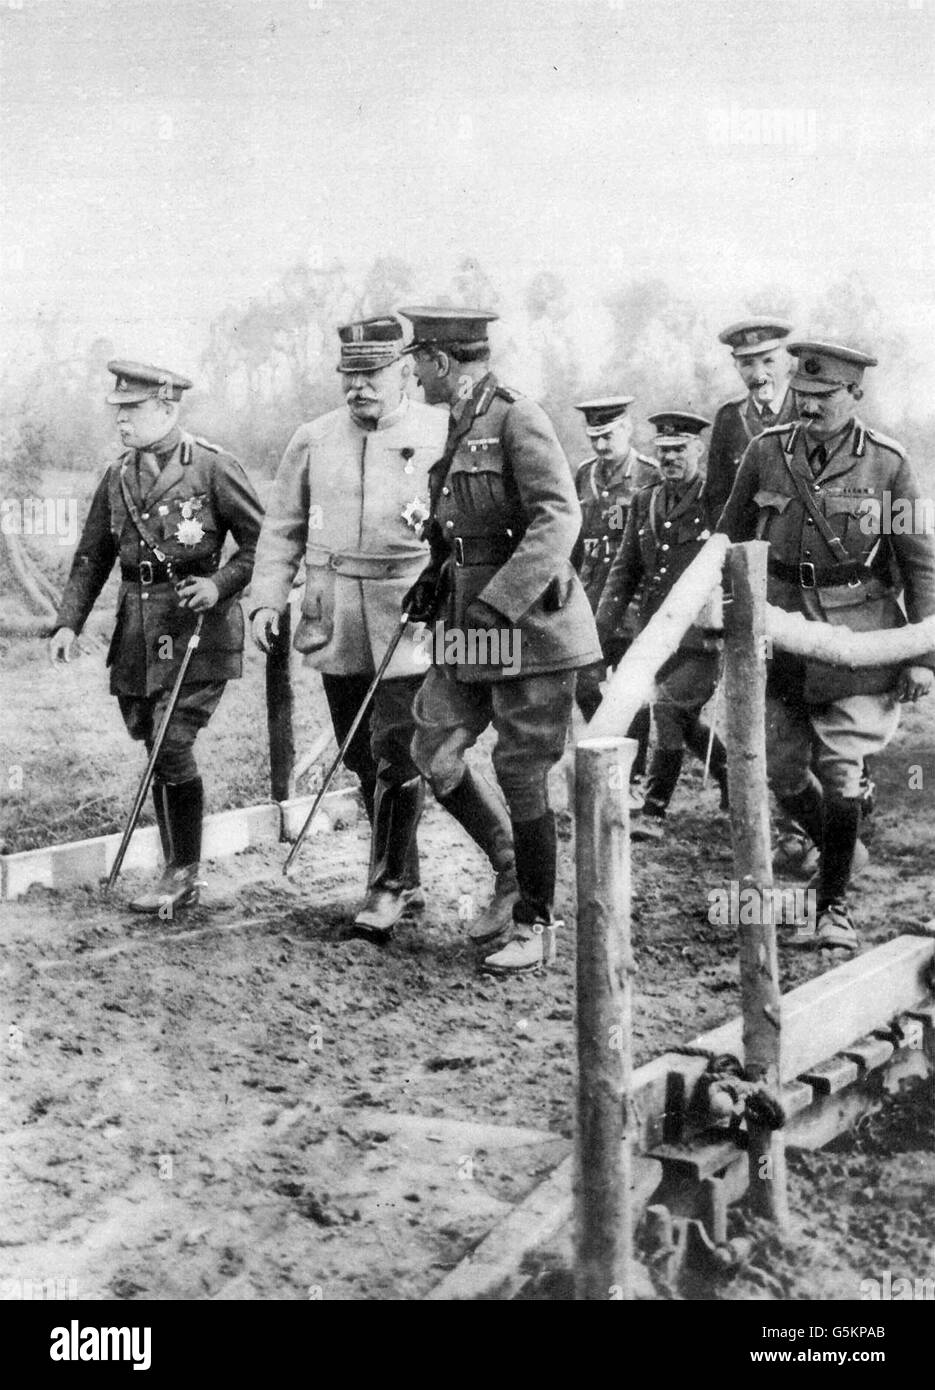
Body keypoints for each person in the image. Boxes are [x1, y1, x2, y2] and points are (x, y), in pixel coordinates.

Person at [397, 305, 602, 975]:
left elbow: (557, 518)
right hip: (472, 623)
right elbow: (463, 526)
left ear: (440, 361)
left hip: (529, 628)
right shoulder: (462, 419)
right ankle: (507, 863)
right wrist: (436, 575)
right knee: (434, 742)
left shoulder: (517, 416)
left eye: (416, 360)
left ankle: (536, 923)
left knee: (520, 770)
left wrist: (499, 601)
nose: (412, 371)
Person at [718, 339, 935, 950]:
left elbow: (921, 565)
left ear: (855, 395)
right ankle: (846, 849)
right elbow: (729, 541)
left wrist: (921, 655)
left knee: (841, 771)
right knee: (782, 767)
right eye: (803, 395)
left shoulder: (888, 463)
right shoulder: (765, 453)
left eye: (824, 397)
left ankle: (832, 908)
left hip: (860, 640)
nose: (808, 408)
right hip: (781, 637)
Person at [249, 317, 449, 939]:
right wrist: (265, 600)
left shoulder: (439, 433)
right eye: (350, 375)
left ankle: (386, 887)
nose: (359, 387)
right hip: (334, 617)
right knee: (361, 753)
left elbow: (460, 527)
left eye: (374, 374)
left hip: (408, 615)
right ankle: (405, 876)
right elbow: (281, 527)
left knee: (395, 748)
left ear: (405, 372)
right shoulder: (313, 438)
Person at [49, 360, 264, 913]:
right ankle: (180, 869)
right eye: (117, 412)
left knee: (172, 742)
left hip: (198, 629)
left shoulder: (213, 468)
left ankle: (182, 871)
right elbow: (92, 555)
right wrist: (68, 622)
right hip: (139, 630)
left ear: (168, 408)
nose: (121, 422)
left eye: (133, 411)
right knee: (152, 739)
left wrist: (219, 586)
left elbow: (260, 544)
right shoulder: (117, 476)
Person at [596, 411, 729, 840]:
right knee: (682, 720)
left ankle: (654, 811)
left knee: (669, 709)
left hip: (702, 636)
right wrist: (601, 632)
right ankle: (730, 775)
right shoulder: (645, 501)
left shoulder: (719, 501)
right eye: (664, 451)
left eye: (680, 450)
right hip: (654, 635)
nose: (671, 458)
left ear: (699, 450)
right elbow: (624, 571)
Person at [571, 396, 656, 791]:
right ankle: (612, 754)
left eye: (608, 436)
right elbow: (573, 536)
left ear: (627, 429)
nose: (602, 447)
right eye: (594, 438)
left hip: (635, 600)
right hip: (591, 600)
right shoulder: (584, 475)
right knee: (586, 685)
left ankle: (634, 776)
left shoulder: (649, 475)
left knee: (632, 690)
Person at [706, 317, 796, 520]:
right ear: (735, 365)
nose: (758, 375)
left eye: (768, 361)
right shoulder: (728, 417)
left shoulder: (806, 409)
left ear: (788, 360)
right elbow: (716, 495)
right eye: (747, 363)